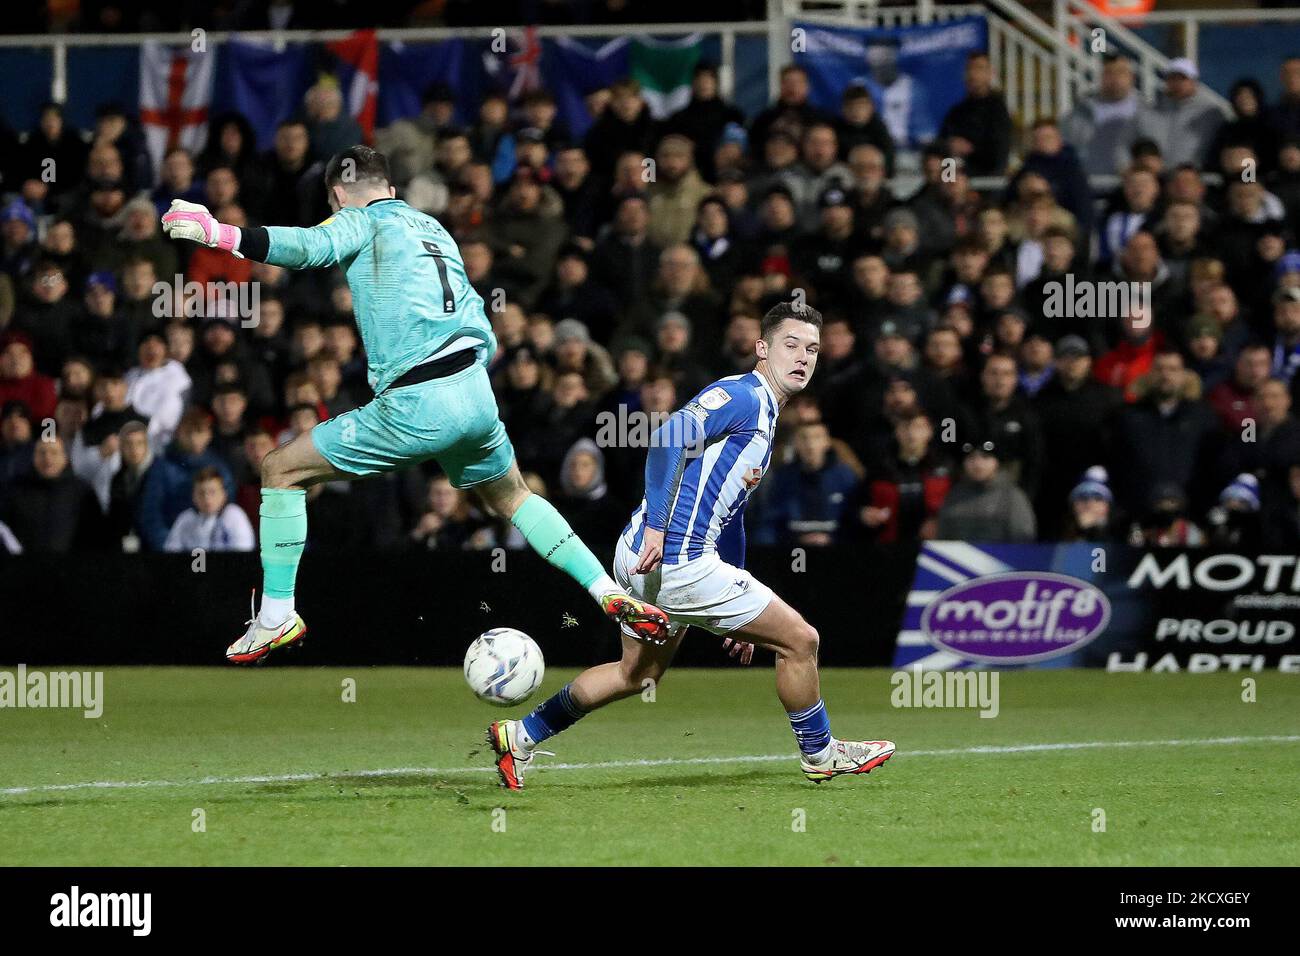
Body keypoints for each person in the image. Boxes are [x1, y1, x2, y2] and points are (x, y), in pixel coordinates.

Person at [161, 145, 668, 663]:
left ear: (339, 197)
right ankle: (606, 589)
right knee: (513, 498)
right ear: (394, 189)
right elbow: (480, 319)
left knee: (279, 469)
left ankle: (276, 617)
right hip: (474, 391)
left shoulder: (361, 221)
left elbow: (309, 247)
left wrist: (218, 233)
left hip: (416, 401)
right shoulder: (433, 229)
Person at [486, 302, 895, 790]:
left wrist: (739, 595)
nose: (803, 357)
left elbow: (733, 511)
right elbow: (667, 438)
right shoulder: (744, 395)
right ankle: (821, 754)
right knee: (801, 641)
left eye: (812, 349)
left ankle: (521, 734)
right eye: (791, 344)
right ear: (762, 348)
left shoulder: (765, 415)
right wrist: (661, 526)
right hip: (675, 558)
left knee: (634, 676)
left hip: (645, 557)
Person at [164, 467, 256, 553]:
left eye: (212, 492)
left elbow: (244, 551)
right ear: (193, 496)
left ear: (223, 494)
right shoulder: (185, 519)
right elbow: (171, 551)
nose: (207, 498)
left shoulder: (234, 515)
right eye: (201, 493)